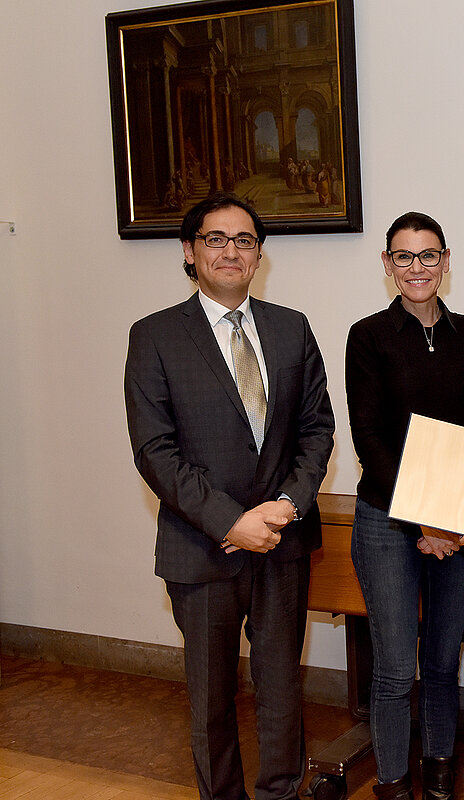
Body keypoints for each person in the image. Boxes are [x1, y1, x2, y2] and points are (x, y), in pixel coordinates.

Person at [124, 192, 335, 800]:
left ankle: (279, 792)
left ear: (259, 255)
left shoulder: (291, 328)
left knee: (281, 692)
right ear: (189, 252)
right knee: (212, 699)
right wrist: (230, 521)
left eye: (244, 240)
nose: (230, 251)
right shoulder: (155, 336)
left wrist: (288, 505)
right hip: (202, 548)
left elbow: (317, 428)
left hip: (282, 542)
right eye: (215, 239)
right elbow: (154, 451)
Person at [345, 212, 464, 800]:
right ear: (387, 265)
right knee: (397, 668)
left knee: (445, 662)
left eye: (429, 255)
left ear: (447, 261)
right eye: (404, 256)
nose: (417, 267)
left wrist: (454, 516)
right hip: (387, 521)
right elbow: (368, 438)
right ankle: (394, 782)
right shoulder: (368, 336)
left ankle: (441, 771)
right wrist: (422, 514)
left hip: (457, 524)